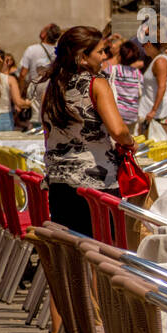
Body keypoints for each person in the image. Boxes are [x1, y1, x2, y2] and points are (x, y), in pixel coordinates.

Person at [38, 26, 135, 236]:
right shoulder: (97, 84)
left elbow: (48, 134)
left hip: (59, 181)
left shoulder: (50, 85)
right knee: (101, 249)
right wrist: (129, 142)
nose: (104, 56)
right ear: (83, 57)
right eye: (100, 52)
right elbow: (118, 130)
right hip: (96, 183)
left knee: (72, 251)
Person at [137, 37, 167, 139]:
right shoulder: (159, 59)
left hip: (159, 112)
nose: (143, 48)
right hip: (152, 110)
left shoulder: (160, 62)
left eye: (143, 45)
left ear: (149, 44)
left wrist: (154, 110)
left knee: (159, 144)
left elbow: (162, 86)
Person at [18, 23, 61, 104]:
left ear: (43, 34)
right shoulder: (59, 51)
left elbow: (23, 74)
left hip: (34, 94)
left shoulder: (32, 49)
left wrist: (19, 95)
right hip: (53, 93)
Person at [107, 38, 145, 128]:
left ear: (120, 56)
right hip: (133, 115)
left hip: (117, 114)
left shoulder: (113, 70)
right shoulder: (137, 73)